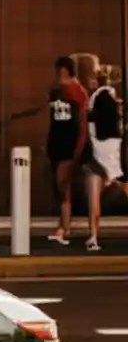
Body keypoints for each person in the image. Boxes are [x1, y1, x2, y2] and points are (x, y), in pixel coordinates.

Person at [46, 55, 89, 246]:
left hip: (68, 146)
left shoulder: (77, 93)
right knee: (61, 188)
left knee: (64, 187)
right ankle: (64, 225)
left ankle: (64, 228)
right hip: (56, 144)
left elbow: (82, 124)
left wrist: (78, 149)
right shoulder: (56, 92)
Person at [84, 66, 125, 251]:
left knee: (94, 197)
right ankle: (92, 236)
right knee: (121, 183)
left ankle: (93, 237)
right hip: (112, 149)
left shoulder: (96, 99)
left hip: (97, 149)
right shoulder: (112, 99)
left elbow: (91, 123)